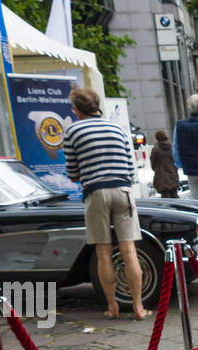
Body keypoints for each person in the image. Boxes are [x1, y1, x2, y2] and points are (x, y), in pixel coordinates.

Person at [61, 86, 147, 319]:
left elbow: (73, 173)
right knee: (129, 249)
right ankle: (138, 307)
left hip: (95, 192)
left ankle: (113, 307)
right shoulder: (117, 128)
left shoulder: (72, 131)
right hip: (123, 190)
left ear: (77, 109)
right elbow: (130, 167)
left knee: (103, 251)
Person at [151, 129, 179, 198]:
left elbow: (153, 165)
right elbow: (176, 161)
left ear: (157, 138)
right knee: (175, 199)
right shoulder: (172, 147)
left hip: (161, 179)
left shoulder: (155, 149)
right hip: (173, 177)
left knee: (166, 202)